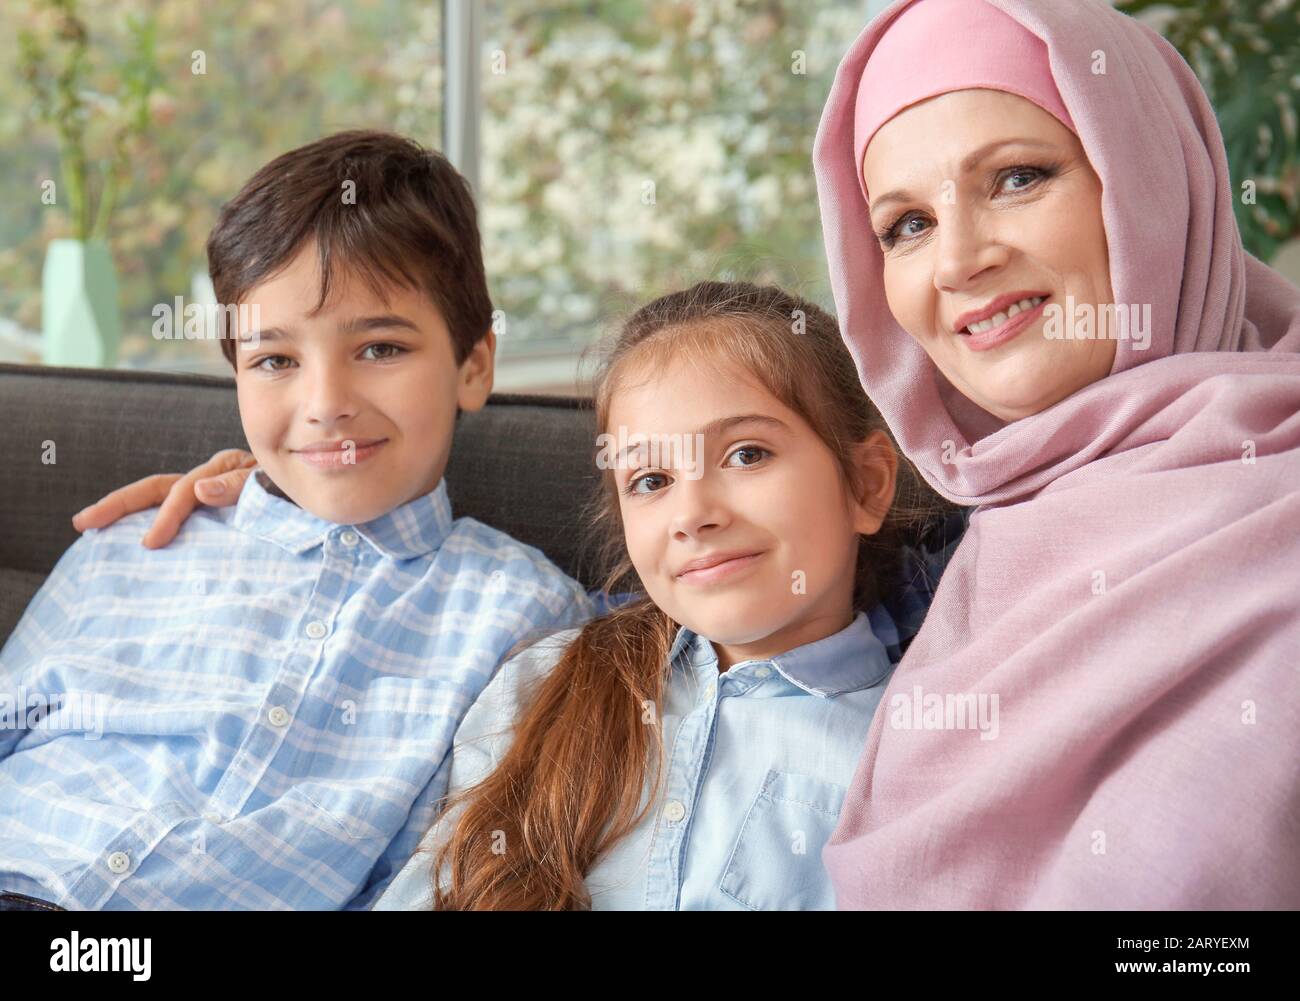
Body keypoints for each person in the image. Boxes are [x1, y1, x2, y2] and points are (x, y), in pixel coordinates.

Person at [0, 130, 593, 910]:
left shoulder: (524, 612)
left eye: (380, 347)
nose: (324, 403)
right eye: (276, 360)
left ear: (474, 364)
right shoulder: (131, 542)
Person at [813, 0, 1300, 907]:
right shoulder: (982, 545)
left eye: (1017, 177)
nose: (958, 259)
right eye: (906, 225)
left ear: (1150, 178)